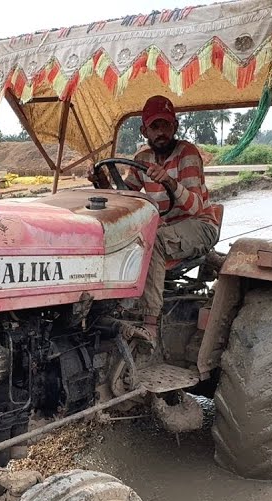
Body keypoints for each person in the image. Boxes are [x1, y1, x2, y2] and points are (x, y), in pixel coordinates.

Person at [91, 95, 222, 346]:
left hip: (200, 224)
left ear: (175, 126)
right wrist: (101, 182)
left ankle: (149, 321)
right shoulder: (142, 159)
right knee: (117, 234)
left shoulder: (187, 154)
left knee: (156, 241)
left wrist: (169, 183)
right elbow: (125, 197)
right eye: (154, 126)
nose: (160, 132)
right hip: (165, 226)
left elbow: (195, 207)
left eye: (165, 125)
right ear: (145, 131)